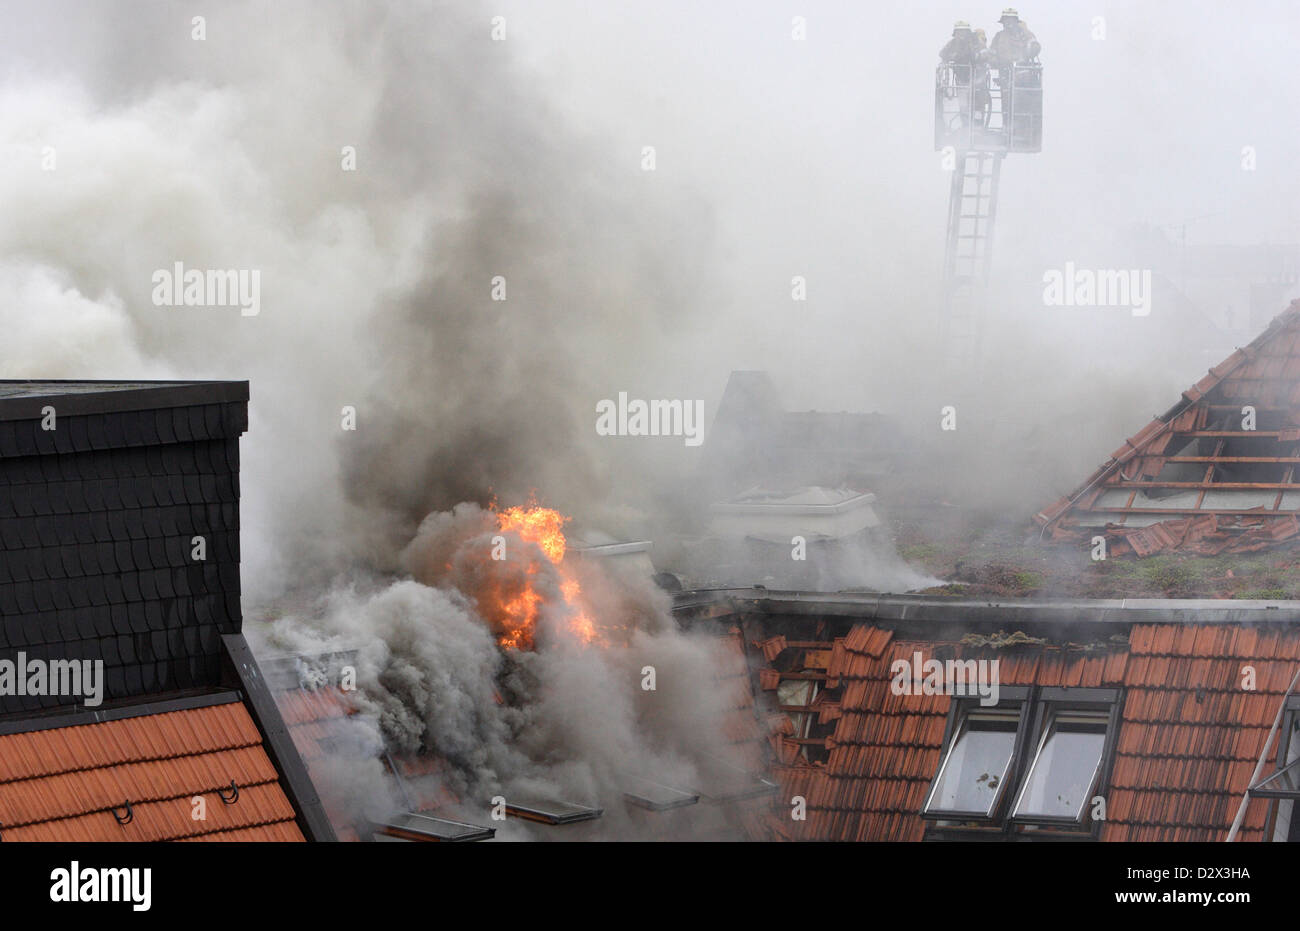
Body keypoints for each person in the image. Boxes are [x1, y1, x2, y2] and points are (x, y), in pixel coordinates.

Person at [989, 9, 1039, 122]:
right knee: (1006, 104)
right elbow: (991, 53)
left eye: (1011, 20)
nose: (1009, 23)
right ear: (1003, 22)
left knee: (1023, 104)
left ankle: (1022, 128)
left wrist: (1030, 51)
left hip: (1024, 78)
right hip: (1005, 75)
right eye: (1006, 20)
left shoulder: (1026, 34)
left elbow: (1035, 46)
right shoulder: (999, 36)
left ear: (1016, 21)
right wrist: (995, 62)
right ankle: (1007, 125)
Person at [939, 22, 989, 127]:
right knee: (963, 107)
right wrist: (954, 56)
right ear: (955, 33)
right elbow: (943, 53)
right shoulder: (953, 44)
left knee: (978, 106)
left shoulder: (976, 42)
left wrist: (975, 56)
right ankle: (966, 128)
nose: (961, 34)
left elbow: (985, 53)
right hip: (962, 81)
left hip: (977, 80)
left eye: (963, 31)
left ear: (968, 33)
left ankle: (978, 128)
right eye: (958, 32)